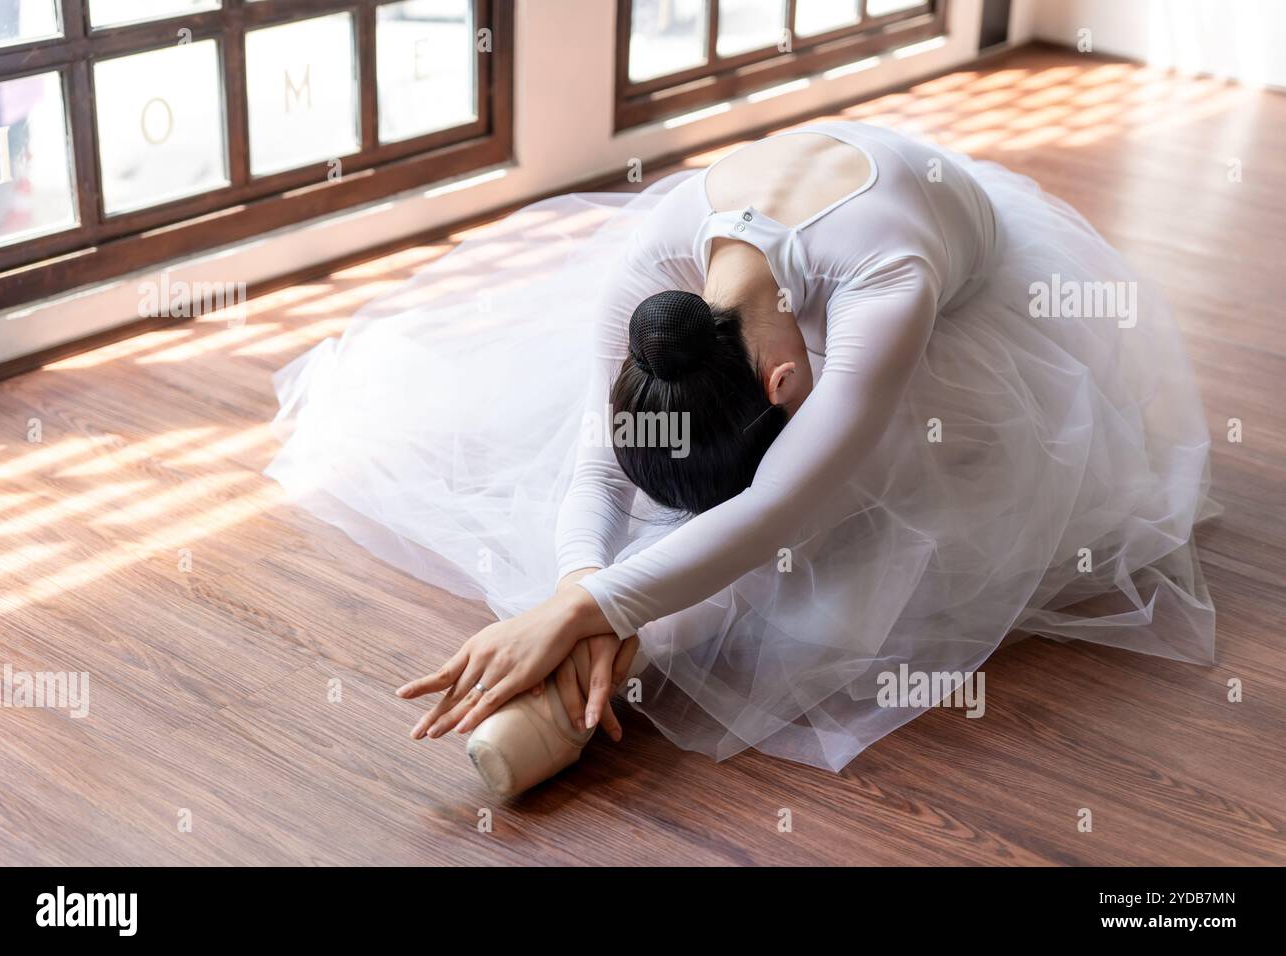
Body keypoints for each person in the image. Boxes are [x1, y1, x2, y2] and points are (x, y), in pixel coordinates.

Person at [267, 120, 1215, 792]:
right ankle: (597, 669)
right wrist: (572, 594)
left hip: (950, 267)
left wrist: (580, 609)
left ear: (776, 391)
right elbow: (601, 468)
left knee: (844, 517)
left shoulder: (888, 288)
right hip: (809, 230)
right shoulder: (649, 285)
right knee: (680, 503)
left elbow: (775, 509)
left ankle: (598, 680)